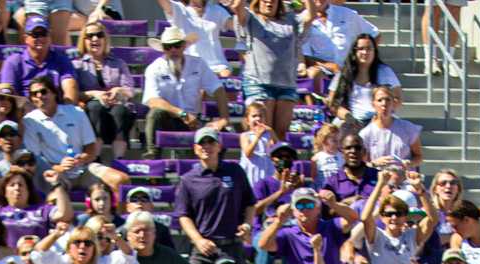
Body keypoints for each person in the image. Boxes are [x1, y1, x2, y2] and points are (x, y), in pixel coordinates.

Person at [229, 0, 311, 142]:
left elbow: (311, 15)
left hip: (286, 84)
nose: (269, 2)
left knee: (280, 135)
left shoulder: (290, 18)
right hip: (258, 82)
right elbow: (237, 6)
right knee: (262, 133)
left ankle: (275, 164)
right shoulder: (251, 17)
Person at [142, 27, 230, 159]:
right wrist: (181, 113)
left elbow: (218, 89)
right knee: (155, 113)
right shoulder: (154, 68)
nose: (173, 50)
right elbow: (152, 100)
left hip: (195, 120)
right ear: (163, 49)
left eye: (176, 45)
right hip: (169, 120)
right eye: (168, 47)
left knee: (222, 134)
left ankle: (214, 170)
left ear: (184, 46)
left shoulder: (198, 64)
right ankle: (153, 155)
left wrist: (224, 119)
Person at [177, 127, 255, 264]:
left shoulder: (236, 171)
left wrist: (247, 224)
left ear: (219, 146)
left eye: (211, 142)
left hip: (233, 246)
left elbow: (249, 203)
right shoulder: (187, 180)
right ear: (195, 149)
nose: (206, 146)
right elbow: (183, 215)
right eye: (202, 143)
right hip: (204, 249)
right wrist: (198, 240)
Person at [73, 21, 139, 162]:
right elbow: (74, 93)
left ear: (105, 39)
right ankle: (95, 159)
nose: (95, 39)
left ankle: (119, 160)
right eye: (90, 36)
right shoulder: (77, 65)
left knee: (120, 111)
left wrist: (119, 90)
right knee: (95, 107)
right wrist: (94, 94)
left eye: (99, 35)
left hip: (116, 113)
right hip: (93, 115)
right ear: (83, 40)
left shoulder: (118, 63)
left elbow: (131, 90)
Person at [0, 15, 80, 105]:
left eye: (43, 34)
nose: (40, 38)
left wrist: (68, 109)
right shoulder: (13, 61)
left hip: (56, 109)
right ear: (26, 38)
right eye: (35, 34)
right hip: (24, 111)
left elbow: (70, 85)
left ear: (49, 37)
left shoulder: (61, 59)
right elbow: (9, 94)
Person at [328, 32, 401, 127]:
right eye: (361, 49)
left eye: (369, 48)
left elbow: (398, 99)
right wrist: (348, 117)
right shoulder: (344, 73)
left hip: (380, 118)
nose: (365, 52)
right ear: (354, 52)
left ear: (375, 51)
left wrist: (382, 113)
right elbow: (333, 104)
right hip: (352, 120)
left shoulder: (385, 71)